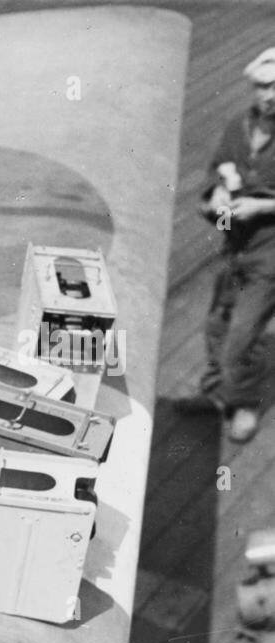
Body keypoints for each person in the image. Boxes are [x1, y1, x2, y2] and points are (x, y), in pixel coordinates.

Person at [184, 46, 275, 443]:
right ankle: (218, 393)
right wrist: (215, 198)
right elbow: (212, 174)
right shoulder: (240, 126)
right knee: (218, 323)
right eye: (260, 86)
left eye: (273, 87)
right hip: (234, 245)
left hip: (271, 253)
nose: (266, 95)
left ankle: (243, 403)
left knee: (245, 331)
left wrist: (262, 206)